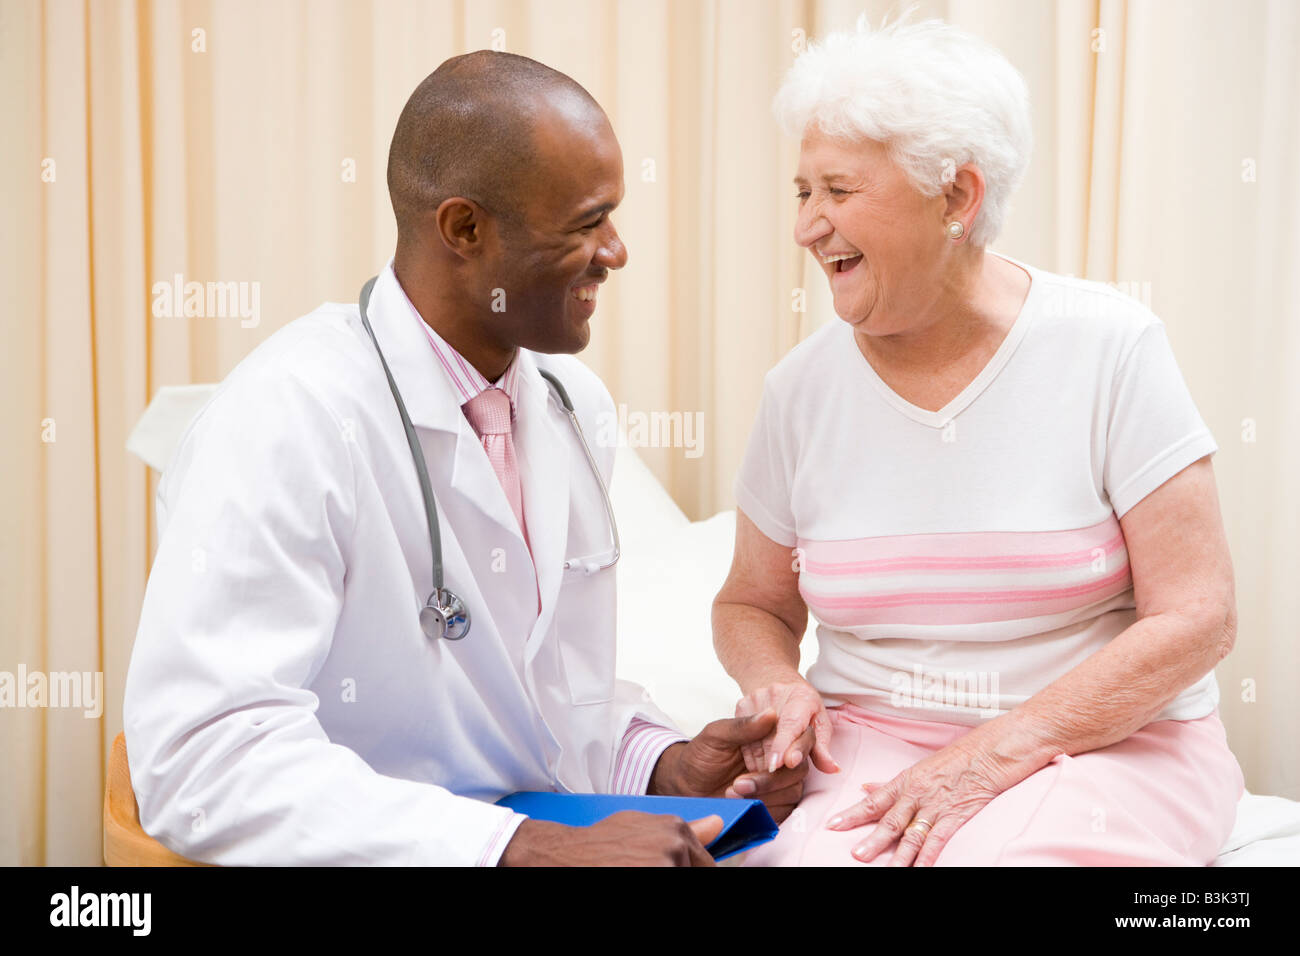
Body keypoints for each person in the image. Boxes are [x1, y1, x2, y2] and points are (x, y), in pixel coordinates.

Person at [123, 51, 809, 867]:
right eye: (588, 222)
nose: (617, 251)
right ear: (464, 229)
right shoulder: (290, 415)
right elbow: (202, 759)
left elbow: (547, 695)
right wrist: (521, 849)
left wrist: (667, 764)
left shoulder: (568, 402)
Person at [713, 14, 1244, 866]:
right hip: (873, 748)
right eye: (802, 192)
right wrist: (776, 683)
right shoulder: (800, 391)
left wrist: (995, 752)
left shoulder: (1109, 347)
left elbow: (1197, 618)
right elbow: (754, 603)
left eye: (840, 191)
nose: (808, 225)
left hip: (1104, 750)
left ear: (957, 197)